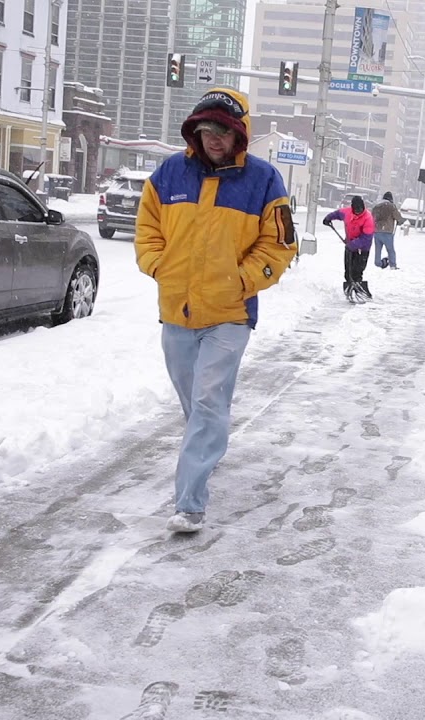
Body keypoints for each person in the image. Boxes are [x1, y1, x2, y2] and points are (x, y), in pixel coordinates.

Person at [134, 87, 297, 534]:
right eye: (206, 130)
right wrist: (157, 265)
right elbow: (147, 226)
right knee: (197, 403)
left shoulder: (263, 181)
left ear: (238, 134)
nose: (213, 139)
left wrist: (243, 279)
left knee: (208, 400)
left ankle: (190, 503)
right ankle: (206, 447)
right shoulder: (169, 173)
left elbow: (280, 244)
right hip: (177, 312)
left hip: (230, 314)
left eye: (222, 131)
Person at [324, 196, 375, 301]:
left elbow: (366, 238)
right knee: (348, 272)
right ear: (352, 208)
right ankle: (350, 289)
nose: (358, 212)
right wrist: (328, 218)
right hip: (349, 247)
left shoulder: (368, 218)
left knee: (357, 271)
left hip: (362, 249)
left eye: (360, 210)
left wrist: (353, 245)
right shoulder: (347, 213)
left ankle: (359, 291)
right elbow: (337, 214)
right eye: (356, 210)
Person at [370, 191, 405, 269]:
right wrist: (400, 221)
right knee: (390, 250)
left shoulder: (376, 207)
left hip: (377, 232)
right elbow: (398, 217)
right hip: (387, 232)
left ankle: (378, 263)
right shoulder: (391, 206)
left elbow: (371, 218)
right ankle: (392, 265)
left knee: (377, 251)